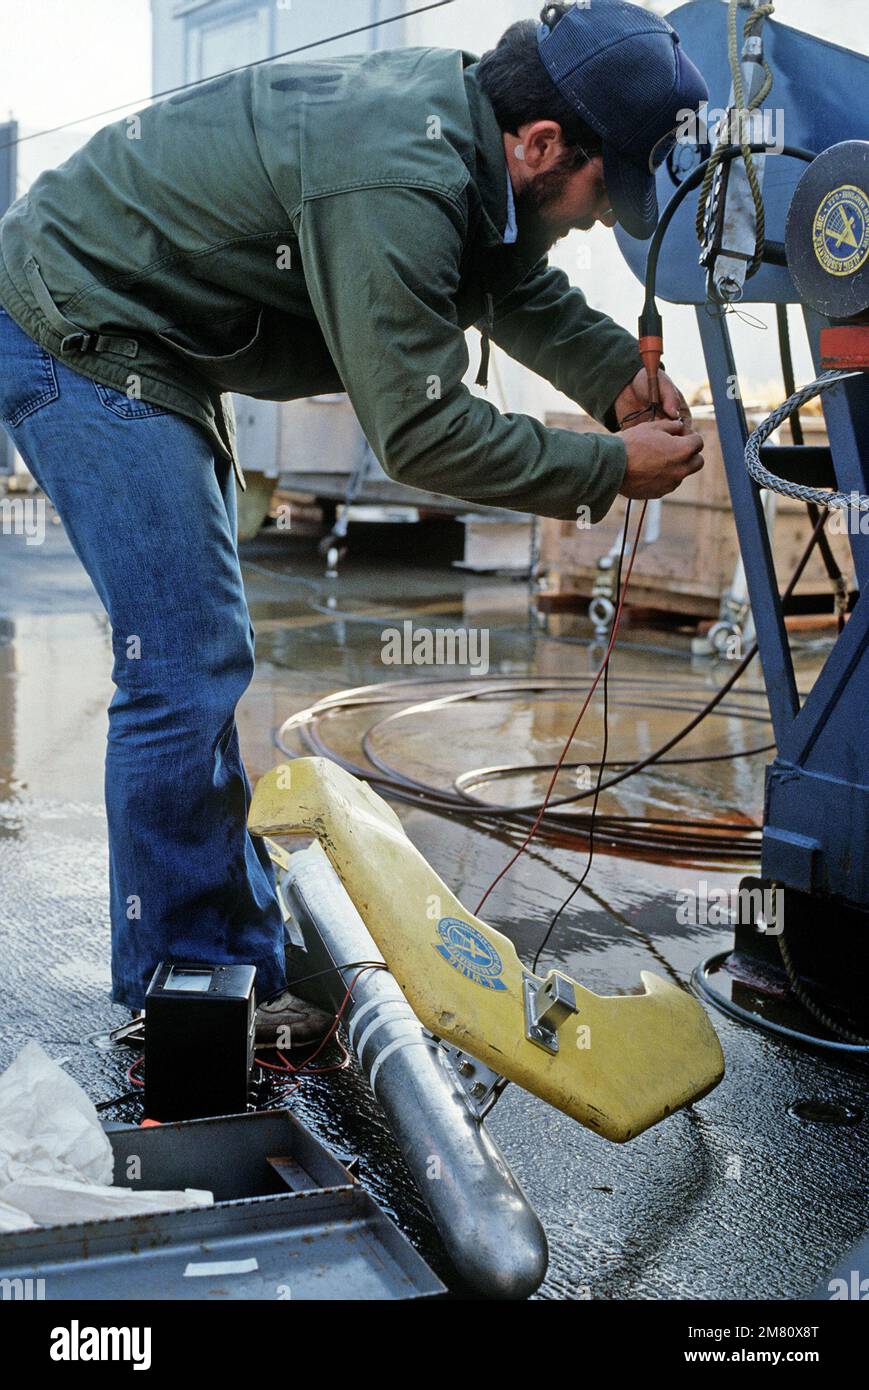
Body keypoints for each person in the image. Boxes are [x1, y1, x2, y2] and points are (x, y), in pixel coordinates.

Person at [0, 1, 707, 1043]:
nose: (605, 220)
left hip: (153, 331)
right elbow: (421, 435)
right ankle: (183, 992)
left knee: (200, 652)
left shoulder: (466, 133)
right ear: (543, 142)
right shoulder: (400, 178)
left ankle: (224, 946)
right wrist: (607, 465)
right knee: (181, 661)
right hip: (78, 323)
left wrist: (614, 383)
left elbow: (511, 287)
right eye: (606, 190)